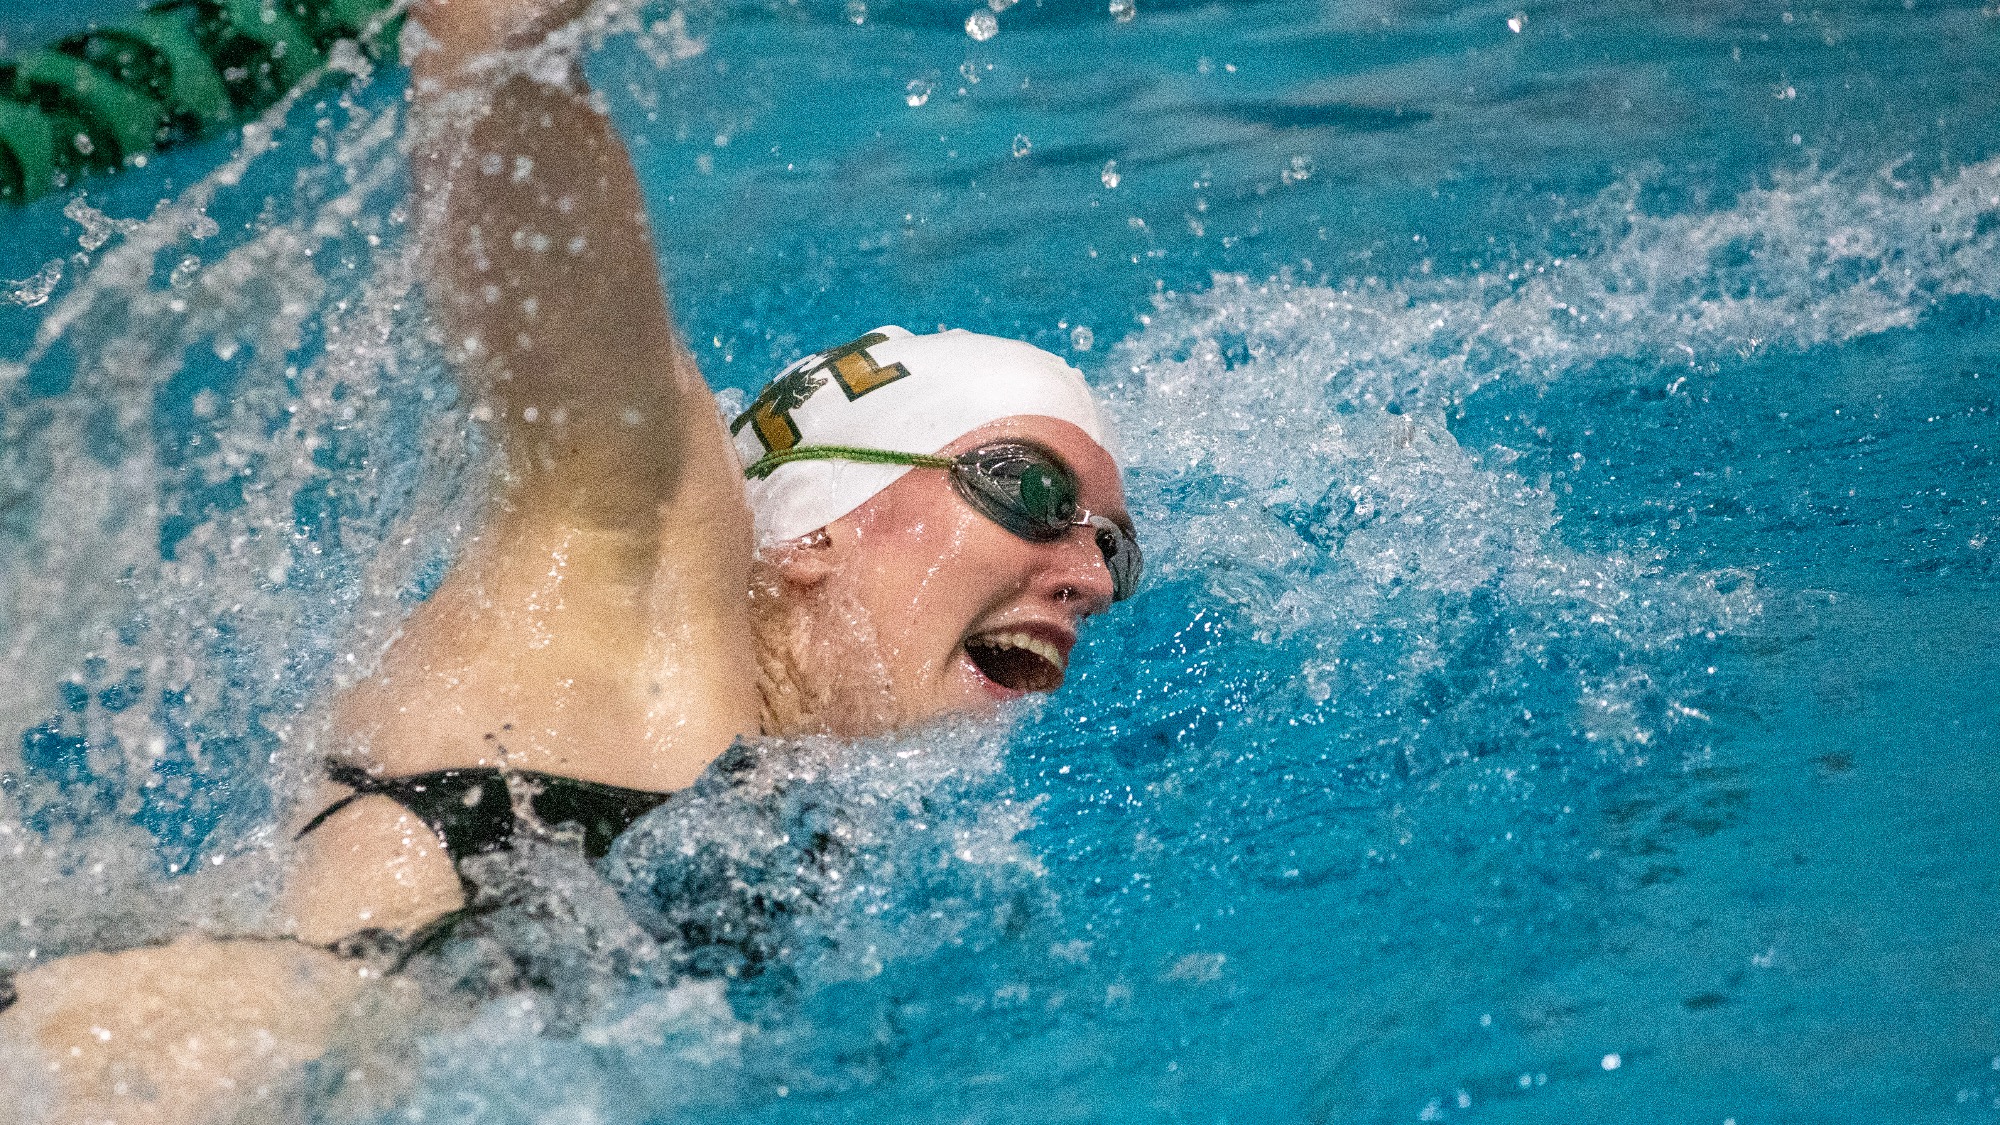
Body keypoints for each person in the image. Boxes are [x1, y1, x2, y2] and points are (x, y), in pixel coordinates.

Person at [0, 0, 1139, 1115]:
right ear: (810, 533)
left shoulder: (809, 810)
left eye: (1110, 548)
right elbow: (488, 63)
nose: (1085, 578)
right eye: (1028, 492)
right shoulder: (627, 571)